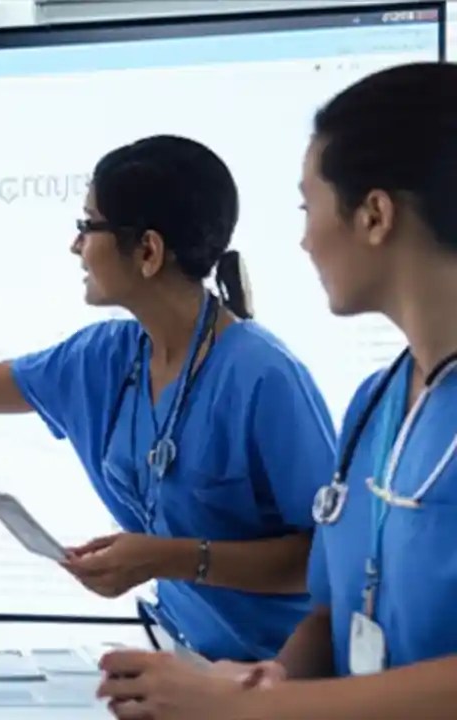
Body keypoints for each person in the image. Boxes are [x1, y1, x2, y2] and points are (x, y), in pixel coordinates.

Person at [0, 134, 336, 662]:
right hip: (187, 666)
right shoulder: (103, 358)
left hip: (281, 681)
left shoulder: (265, 377)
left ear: (147, 250)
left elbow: (327, 559)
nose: (76, 245)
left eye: (86, 226)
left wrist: (168, 559)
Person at [96, 62, 457, 720]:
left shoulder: (263, 371)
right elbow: (334, 612)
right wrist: (259, 683)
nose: (303, 238)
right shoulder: (376, 408)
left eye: (307, 206)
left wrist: (252, 710)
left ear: (375, 214)